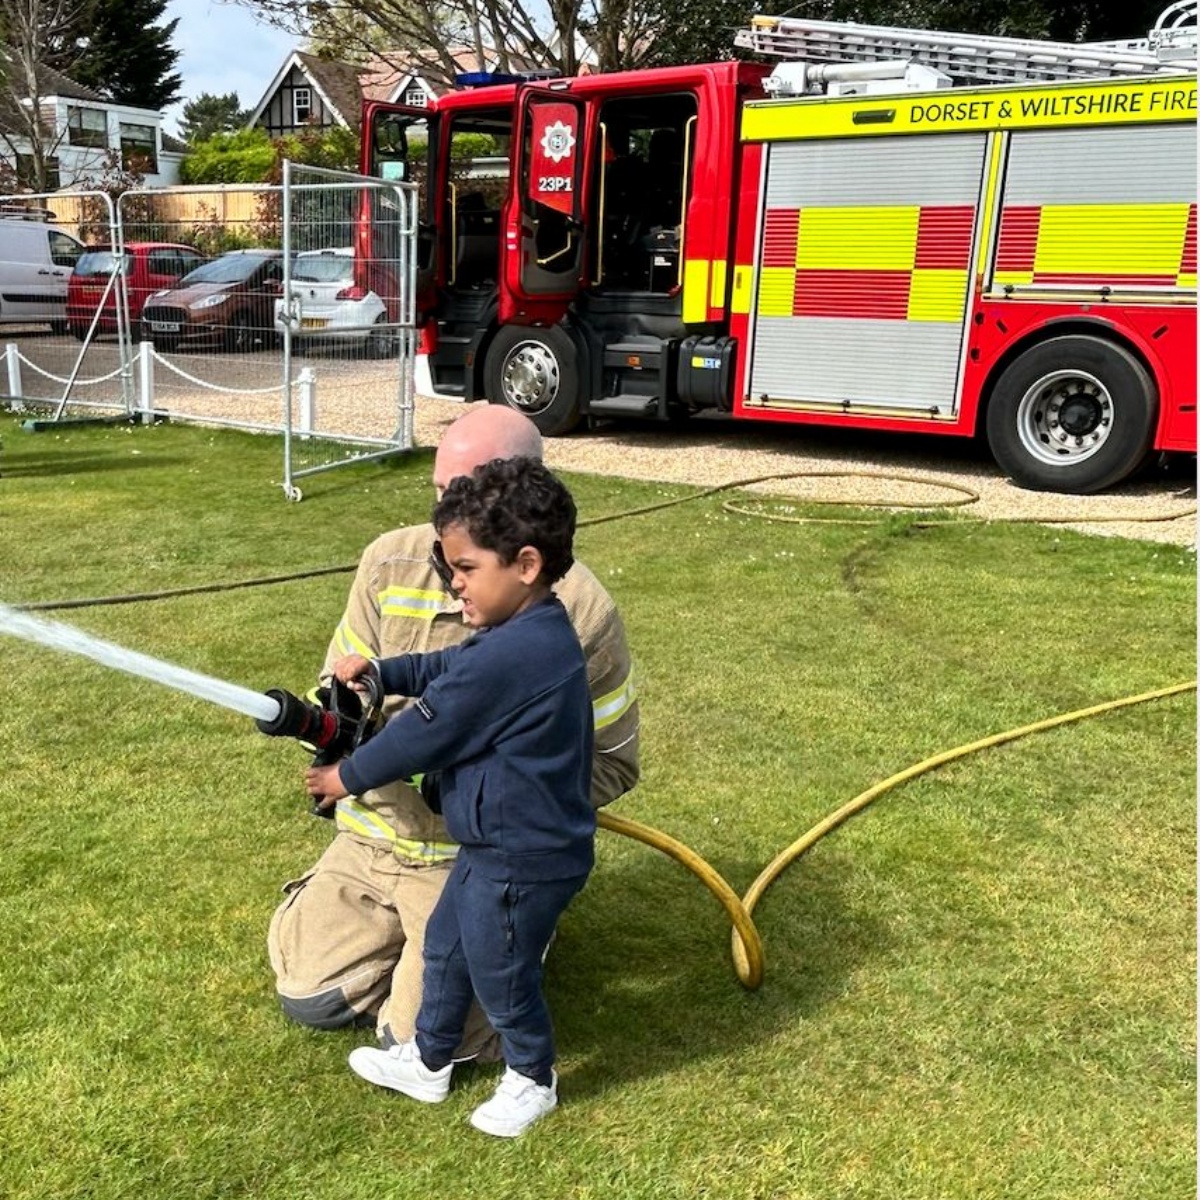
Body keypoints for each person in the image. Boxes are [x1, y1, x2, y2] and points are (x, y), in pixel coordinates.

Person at [267, 404, 639, 1061]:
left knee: (419, 1036)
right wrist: (337, 722)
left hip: (477, 860)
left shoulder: (580, 612)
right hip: (374, 838)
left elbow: (612, 763)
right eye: (442, 493)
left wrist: (478, 790)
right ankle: (411, 945)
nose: (448, 524)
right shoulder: (388, 564)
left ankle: (515, 934)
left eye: (471, 495)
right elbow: (345, 690)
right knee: (310, 996)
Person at [307, 457, 593, 1137]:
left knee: (502, 974)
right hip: (491, 846)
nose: (452, 581)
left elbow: (425, 732)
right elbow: (444, 665)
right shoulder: (520, 634)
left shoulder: (517, 654)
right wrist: (383, 672)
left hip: (525, 858)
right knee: (446, 945)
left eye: (464, 567)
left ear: (526, 565)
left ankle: (532, 1078)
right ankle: (428, 1061)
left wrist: (344, 777)